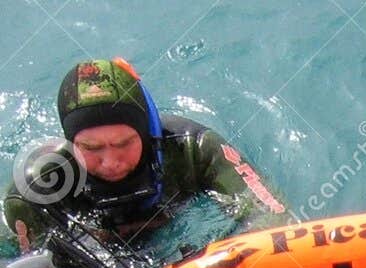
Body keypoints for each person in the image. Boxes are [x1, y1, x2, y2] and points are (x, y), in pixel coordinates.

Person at [4, 58, 285, 256]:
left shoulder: (193, 149)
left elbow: (270, 215)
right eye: (91, 148)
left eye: (124, 143)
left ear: (145, 131)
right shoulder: (39, 189)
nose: (111, 161)